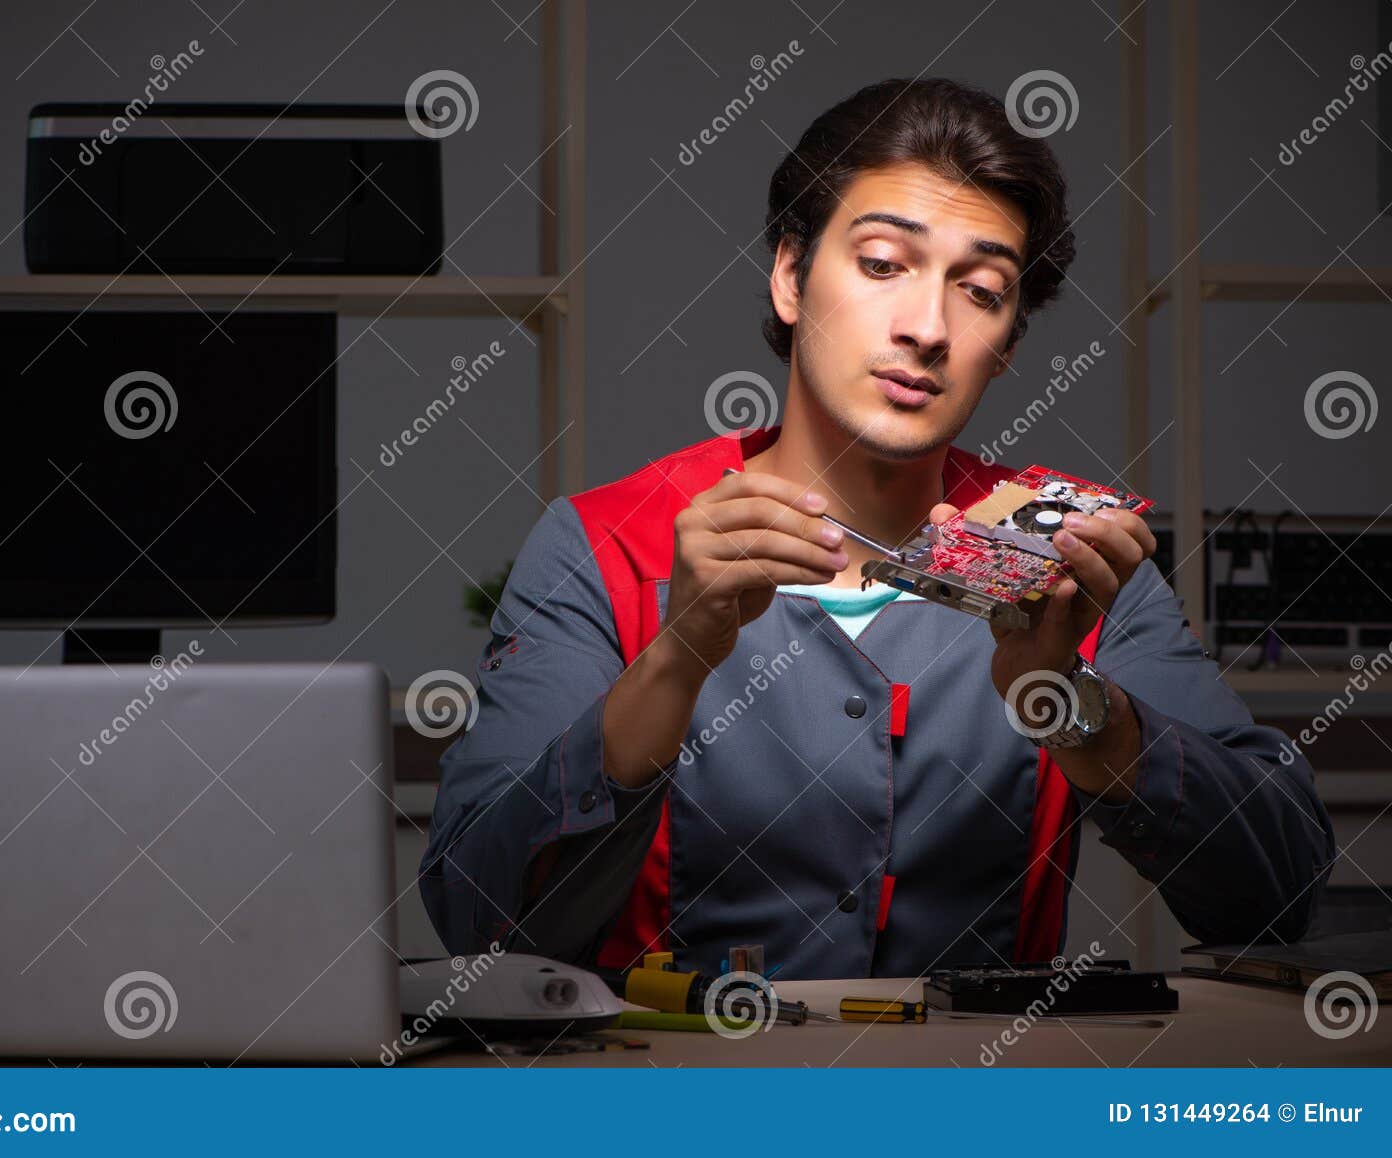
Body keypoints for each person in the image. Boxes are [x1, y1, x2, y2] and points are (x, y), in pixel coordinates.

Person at [419, 77, 1336, 979]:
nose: (928, 326)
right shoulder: (604, 543)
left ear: (1009, 343)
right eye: (883, 265)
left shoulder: (1072, 559)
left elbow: (1278, 893)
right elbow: (478, 922)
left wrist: (1071, 703)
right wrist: (676, 659)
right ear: (790, 276)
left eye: (980, 290)